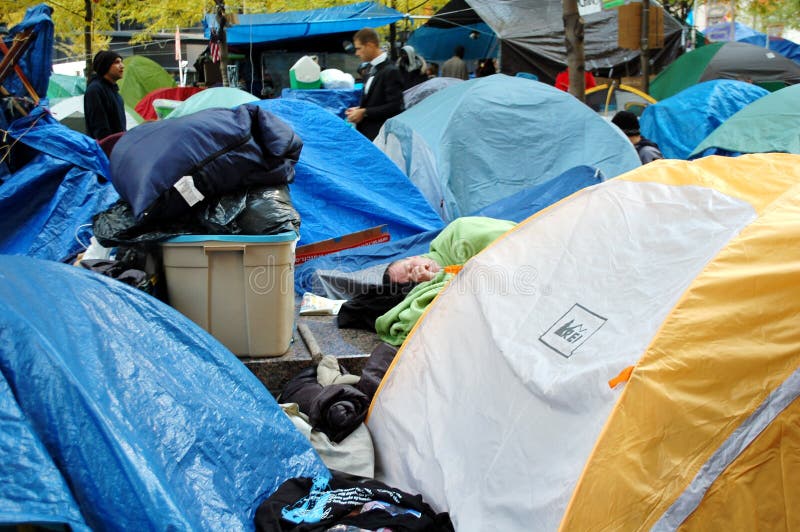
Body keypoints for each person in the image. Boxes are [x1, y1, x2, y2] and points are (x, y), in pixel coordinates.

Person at [345, 28, 404, 141]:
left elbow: (395, 106)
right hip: (367, 135)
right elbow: (376, 100)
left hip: (381, 136)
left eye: (359, 48)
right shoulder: (370, 69)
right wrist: (359, 109)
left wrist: (364, 112)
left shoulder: (391, 71)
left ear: (370, 45)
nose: (357, 53)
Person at [84, 50, 126, 140]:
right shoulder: (95, 90)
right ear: (105, 65)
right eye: (116, 62)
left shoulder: (115, 92)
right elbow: (100, 128)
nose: (122, 66)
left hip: (118, 147)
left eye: (121, 62)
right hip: (105, 149)